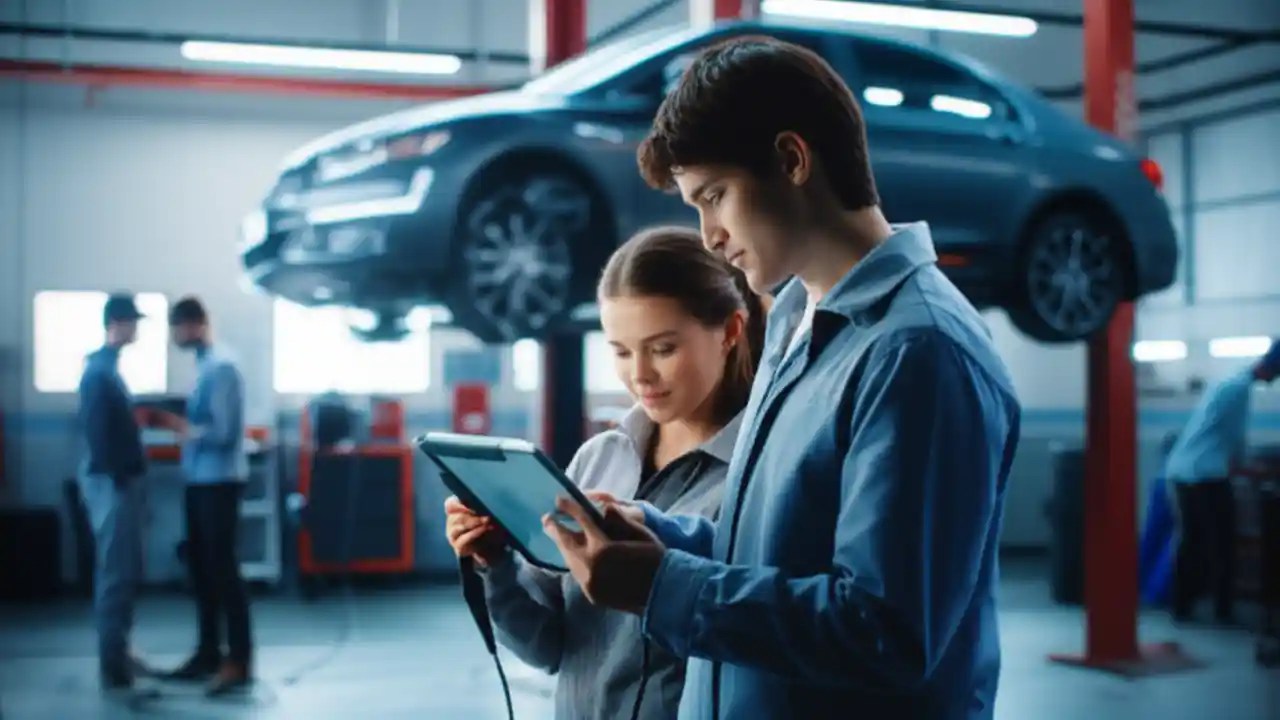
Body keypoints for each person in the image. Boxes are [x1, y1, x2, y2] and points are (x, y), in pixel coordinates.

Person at [540, 36, 1022, 720]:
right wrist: (659, 536)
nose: (707, 234)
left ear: (793, 160)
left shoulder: (919, 352)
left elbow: (885, 632)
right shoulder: (797, 319)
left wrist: (665, 587)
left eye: (715, 196)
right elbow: (779, 552)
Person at [444, 226, 766, 719]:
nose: (640, 374)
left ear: (729, 332)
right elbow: (548, 647)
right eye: (619, 351)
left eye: (662, 349)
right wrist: (496, 566)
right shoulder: (600, 459)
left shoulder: (758, 472)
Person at [157, 297, 255, 695]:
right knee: (201, 569)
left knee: (223, 571)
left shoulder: (222, 367)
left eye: (178, 328)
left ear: (195, 324)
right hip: (199, 480)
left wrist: (182, 427)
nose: (176, 337)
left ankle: (239, 660)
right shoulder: (204, 368)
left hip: (219, 482)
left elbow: (224, 432)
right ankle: (208, 652)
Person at [1164, 339, 1280, 623]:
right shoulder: (1239, 389)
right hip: (1204, 473)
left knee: (1193, 542)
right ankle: (1222, 611)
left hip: (1187, 470)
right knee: (1220, 543)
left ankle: (1183, 608)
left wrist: (1241, 464)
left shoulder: (1230, 379)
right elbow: (1234, 437)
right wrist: (1251, 469)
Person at [77, 293, 153, 693]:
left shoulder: (109, 370)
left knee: (123, 570)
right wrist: (123, 476)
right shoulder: (98, 373)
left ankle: (119, 651)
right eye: (131, 322)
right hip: (113, 485)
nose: (135, 329)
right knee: (116, 573)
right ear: (117, 323)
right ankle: (113, 665)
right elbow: (97, 433)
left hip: (117, 483)